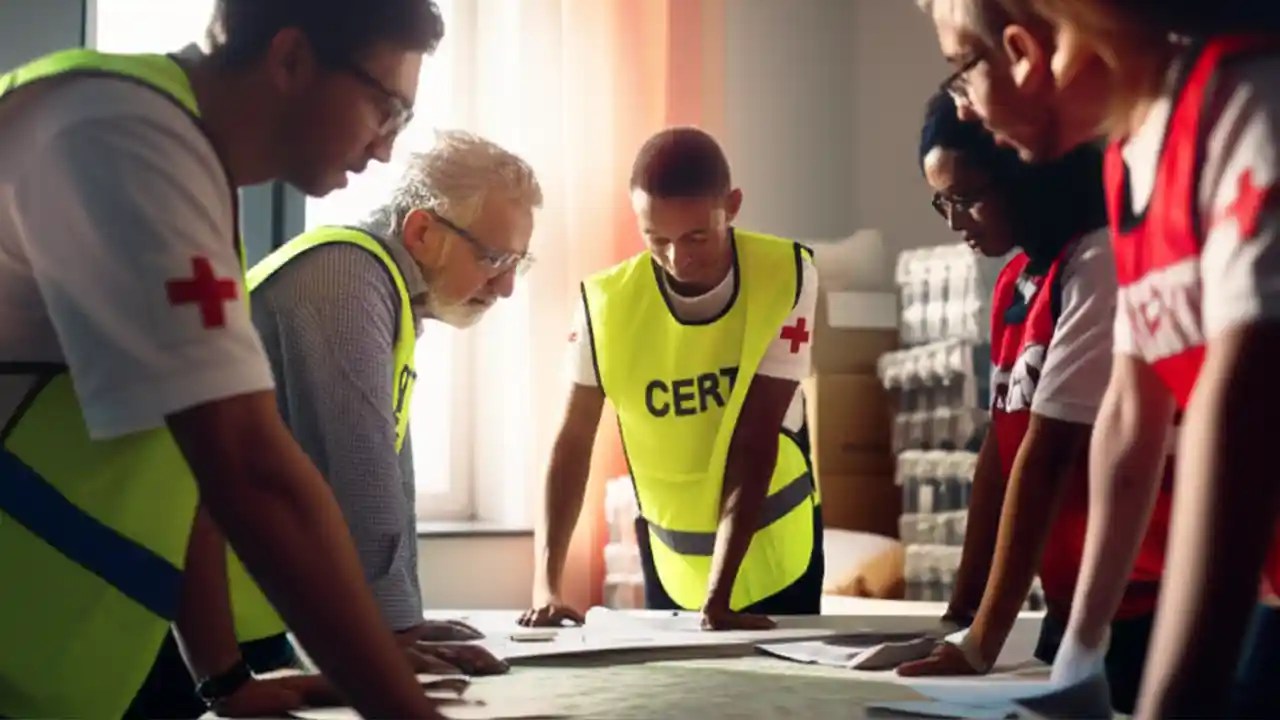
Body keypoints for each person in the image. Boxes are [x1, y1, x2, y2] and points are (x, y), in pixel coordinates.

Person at [0, 1, 450, 718]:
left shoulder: (186, 168)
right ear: (291, 59)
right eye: (385, 108)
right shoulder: (117, 133)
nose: (385, 148)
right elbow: (248, 470)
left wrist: (225, 680)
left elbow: (190, 463)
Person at [916, 0, 1280, 716]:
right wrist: (1079, 663)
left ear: (1022, 51)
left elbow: (1240, 405)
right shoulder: (1129, 160)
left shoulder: (1247, 102)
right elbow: (1127, 420)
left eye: (962, 67)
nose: (962, 101)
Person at [895, 90, 1171, 715]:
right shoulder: (1017, 283)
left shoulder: (1098, 261)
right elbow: (1002, 446)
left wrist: (983, 642)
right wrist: (962, 612)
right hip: (1068, 597)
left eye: (967, 199)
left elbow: (1047, 457)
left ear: (1025, 176)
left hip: (1140, 597)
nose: (954, 220)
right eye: (943, 201)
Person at [519, 126, 824, 631]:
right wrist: (546, 588)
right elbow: (572, 442)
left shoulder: (786, 274)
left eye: (696, 237)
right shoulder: (606, 305)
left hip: (778, 555)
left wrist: (719, 597)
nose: (677, 258)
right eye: (656, 239)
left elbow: (754, 438)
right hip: (674, 560)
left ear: (733, 206)